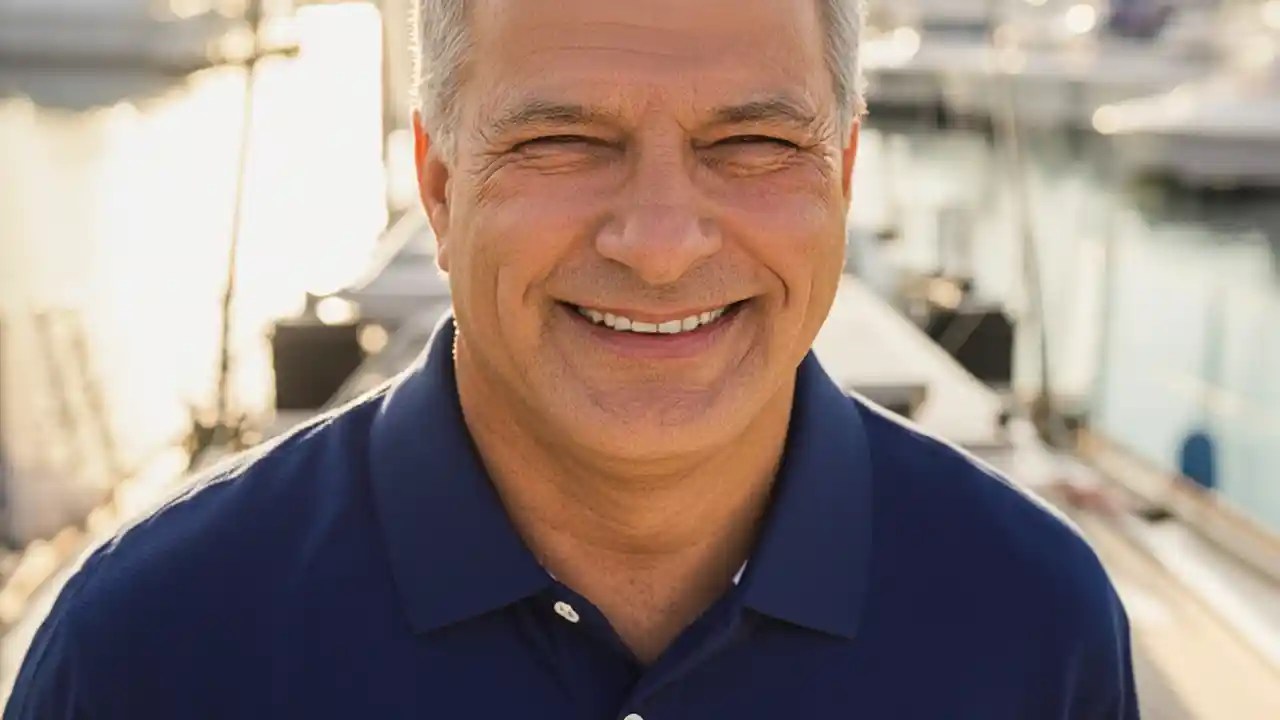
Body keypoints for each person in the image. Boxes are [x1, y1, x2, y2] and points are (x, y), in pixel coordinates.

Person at [5, 0, 1139, 717]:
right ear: (440, 185)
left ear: (841, 178)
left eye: (751, 142)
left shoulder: (1035, 627)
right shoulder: (151, 653)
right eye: (563, 141)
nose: (659, 242)